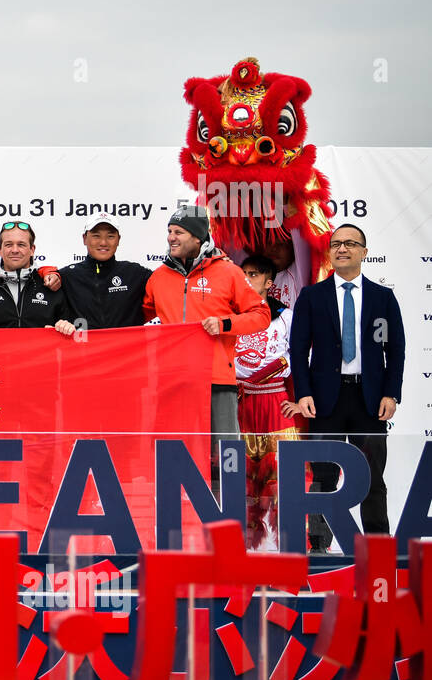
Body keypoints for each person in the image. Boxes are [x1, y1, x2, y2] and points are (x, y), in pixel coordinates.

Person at [289, 224, 404, 551]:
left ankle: (379, 545)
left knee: (371, 477)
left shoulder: (383, 298)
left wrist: (391, 392)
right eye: (336, 243)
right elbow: (298, 350)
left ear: (364, 253)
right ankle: (319, 546)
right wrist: (304, 393)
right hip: (325, 400)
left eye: (351, 243)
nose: (342, 248)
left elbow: (395, 349)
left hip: (370, 401)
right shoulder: (312, 296)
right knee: (323, 476)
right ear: (329, 252)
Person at [142, 205, 269, 499]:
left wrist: (226, 323)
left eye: (179, 232)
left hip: (217, 381)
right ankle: (177, 525)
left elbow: (260, 315)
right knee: (173, 454)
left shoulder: (228, 273)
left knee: (226, 457)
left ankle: (227, 525)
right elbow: (147, 318)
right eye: (169, 232)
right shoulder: (158, 278)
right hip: (172, 383)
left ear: (198, 238)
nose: (171, 238)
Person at [235, 254, 306, 550]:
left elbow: (301, 358)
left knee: (286, 473)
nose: (248, 279)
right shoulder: (227, 315)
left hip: (276, 400)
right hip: (240, 402)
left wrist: (301, 401)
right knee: (239, 476)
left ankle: (290, 547)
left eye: (254, 274)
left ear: (269, 281)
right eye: (244, 273)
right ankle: (242, 547)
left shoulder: (286, 316)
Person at [0, 222, 76, 336]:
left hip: (42, 357)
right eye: (8, 244)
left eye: (21, 244)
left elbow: (70, 329)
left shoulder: (50, 285)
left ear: (32, 250)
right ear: (0, 250)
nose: (15, 250)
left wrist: (66, 326)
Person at [50, 214, 151, 329]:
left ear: (118, 240)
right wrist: (47, 272)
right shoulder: (66, 277)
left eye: (110, 236)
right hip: (84, 346)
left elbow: (168, 283)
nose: (103, 242)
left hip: (128, 347)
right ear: (84, 239)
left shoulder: (135, 273)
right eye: (96, 236)